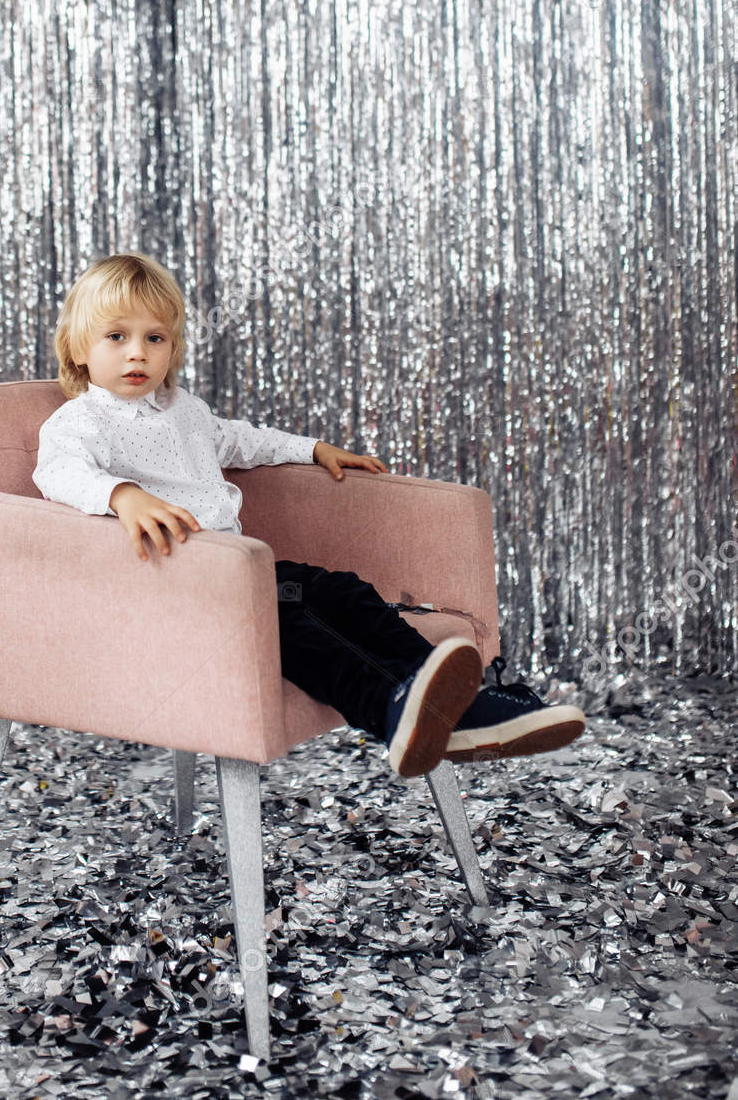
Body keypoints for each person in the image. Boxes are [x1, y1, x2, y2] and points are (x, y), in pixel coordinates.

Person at [32, 252, 585, 778]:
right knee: (301, 632)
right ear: (80, 349)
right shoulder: (81, 422)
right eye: (116, 338)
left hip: (249, 575)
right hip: (182, 586)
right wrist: (122, 495)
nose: (137, 354)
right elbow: (57, 473)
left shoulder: (184, 410)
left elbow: (244, 442)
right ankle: (390, 709)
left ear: (172, 348)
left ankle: (454, 699)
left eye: (154, 339)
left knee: (341, 593)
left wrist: (313, 448)